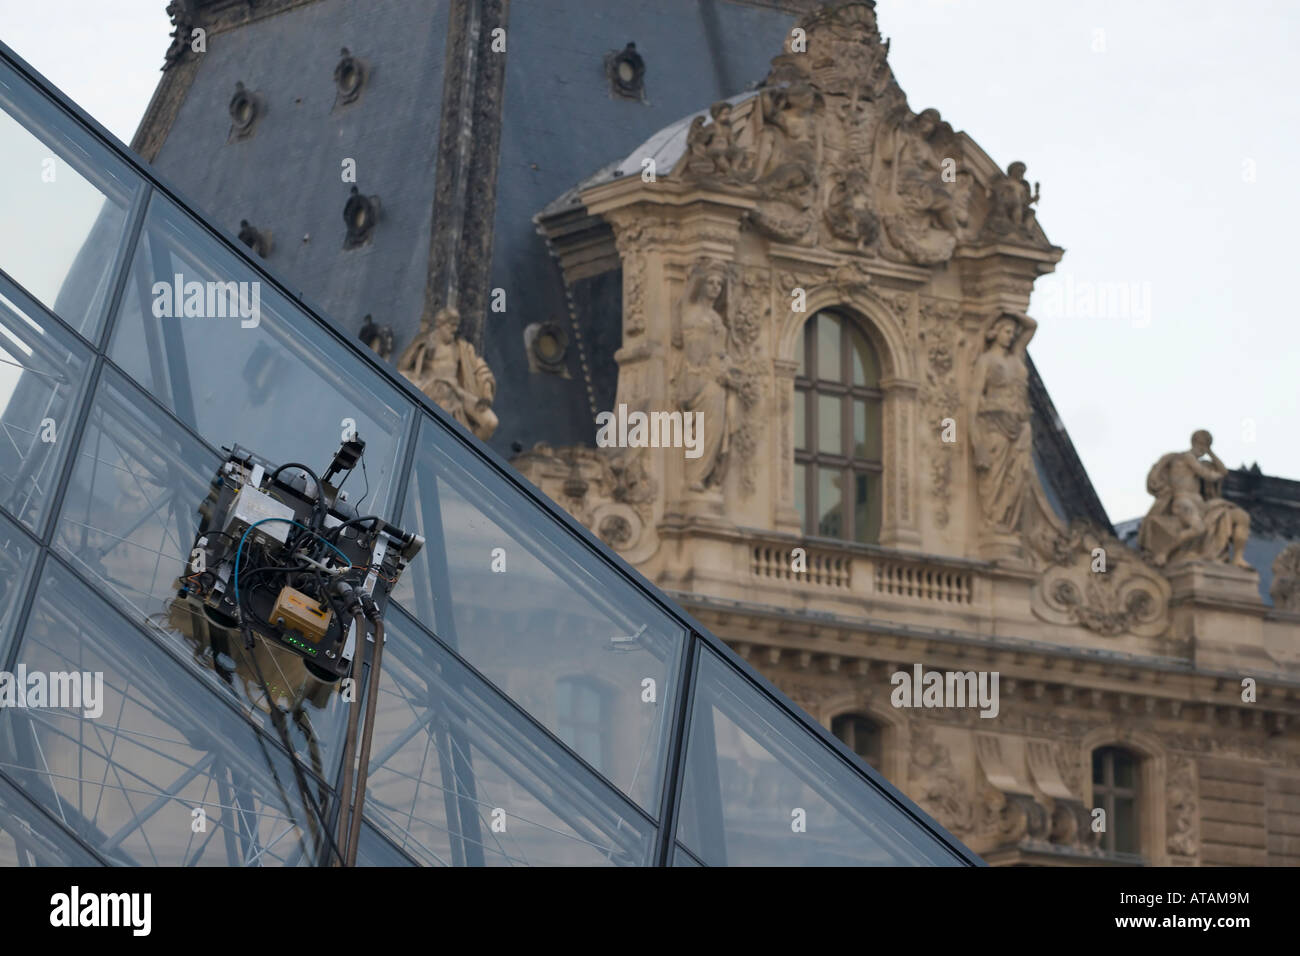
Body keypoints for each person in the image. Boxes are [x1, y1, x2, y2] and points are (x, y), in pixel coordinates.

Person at [1138, 430, 1251, 568]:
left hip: (1200, 503)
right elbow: (1210, 475)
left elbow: (1223, 472)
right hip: (1183, 501)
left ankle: (1238, 558)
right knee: (1198, 528)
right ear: (1195, 443)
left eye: (1206, 446)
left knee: (1241, 516)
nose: (1203, 450)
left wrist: (1211, 452)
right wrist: (1209, 457)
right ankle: (1164, 552)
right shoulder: (1187, 458)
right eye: (1202, 445)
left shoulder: (1197, 460)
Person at [970, 312, 1036, 532]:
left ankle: (1006, 524)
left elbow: (1031, 326)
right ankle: (993, 523)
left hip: (1021, 426)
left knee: (1018, 478)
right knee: (994, 481)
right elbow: (971, 404)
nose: (1011, 336)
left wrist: (1008, 308)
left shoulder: (1016, 356)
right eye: (1007, 331)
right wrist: (977, 445)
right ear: (995, 332)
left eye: (1013, 333)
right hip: (995, 426)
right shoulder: (986, 361)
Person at [397, 306, 498, 439]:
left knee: (491, 422)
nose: (454, 329)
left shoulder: (462, 347)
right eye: (451, 325)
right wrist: (419, 345)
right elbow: (402, 367)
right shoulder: (426, 342)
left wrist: (486, 393)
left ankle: (466, 450)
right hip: (430, 386)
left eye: (456, 326)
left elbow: (480, 369)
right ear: (440, 324)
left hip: (458, 392)